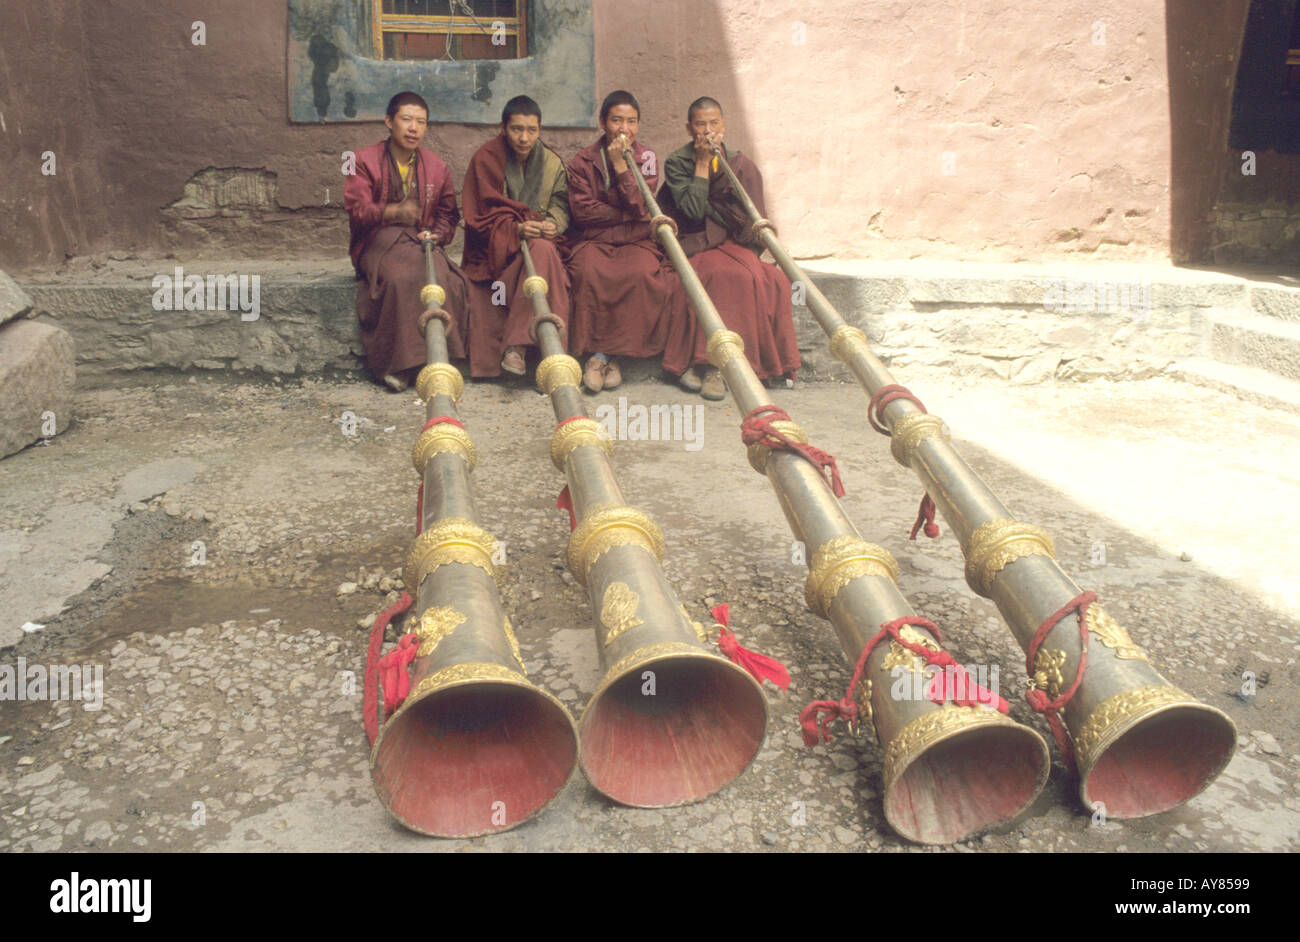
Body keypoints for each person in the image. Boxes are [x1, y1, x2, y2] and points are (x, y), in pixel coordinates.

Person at [657, 96, 801, 394]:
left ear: (723, 126)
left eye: (714, 124)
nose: (708, 131)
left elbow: (752, 223)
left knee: (767, 277)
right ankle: (711, 365)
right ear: (689, 129)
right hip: (695, 243)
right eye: (700, 125)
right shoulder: (677, 162)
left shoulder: (739, 164)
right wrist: (700, 164)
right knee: (721, 274)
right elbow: (693, 211)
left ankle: (738, 365)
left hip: (736, 244)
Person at [564, 90, 702, 395]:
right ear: (602, 122)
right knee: (588, 273)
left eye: (631, 121)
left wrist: (622, 167)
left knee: (641, 275)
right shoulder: (581, 161)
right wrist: (625, 213)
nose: (624, 128)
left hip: (636, 241)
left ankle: (609, 358)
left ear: (638, 126)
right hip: (595, 240)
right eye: (616, 120)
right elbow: (584, 212)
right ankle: (598, 356)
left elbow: (642, 208)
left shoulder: (648, 158)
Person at [344, 91, 471, 391]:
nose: (413, 128)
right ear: (389, 121)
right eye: (406, 120)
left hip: (421, 241)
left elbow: (448, 213)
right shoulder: (360, 160)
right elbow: (357, 210)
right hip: (378, 241)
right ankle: (401, 365)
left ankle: (440, 361)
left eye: (421, 122)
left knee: (446, 280)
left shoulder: (437, 167)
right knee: (402, 278)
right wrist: (392, 212)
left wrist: (438, 234)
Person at [460, 95, 571, 379]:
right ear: (503, 128)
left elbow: (562, 203)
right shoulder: (486, 158)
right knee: (544, 254)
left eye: (531, 130)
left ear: (540, 129)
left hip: (536, 247)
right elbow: (478, 217)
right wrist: (516, 229)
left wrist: (552, 224)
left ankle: (517, 349)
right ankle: (551, 357)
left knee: (544, 249)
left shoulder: (551, 162)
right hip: (497, 257)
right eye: (516, 129)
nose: (524, 138)